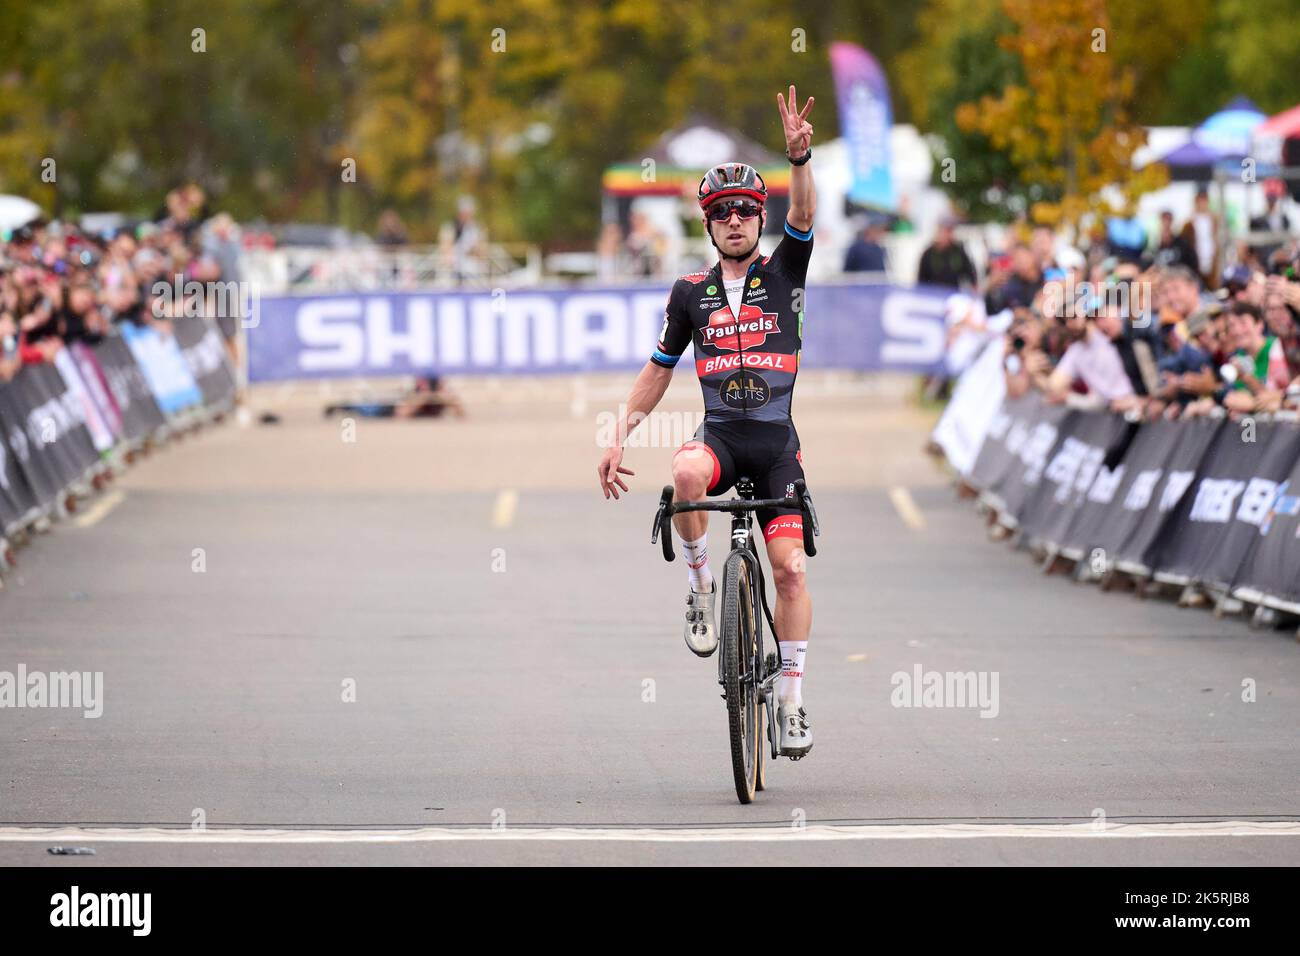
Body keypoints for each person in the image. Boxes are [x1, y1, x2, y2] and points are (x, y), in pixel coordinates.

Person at [596, 86, 817, 758]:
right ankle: (700, 584)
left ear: (760, 218)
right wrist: (619, 431)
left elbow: (804, 213)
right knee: (685, 470)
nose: (735, 222)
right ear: (708, 224)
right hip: (721, 435)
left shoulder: (785, 273)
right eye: (722, 214)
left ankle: (791, 701)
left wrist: (798, 158)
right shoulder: (689, 293)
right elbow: (660, 367)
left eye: (746, 212)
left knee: (791, 572)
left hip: (777, 444)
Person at [917, 215, 976, 289]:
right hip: (932, 294)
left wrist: (974, 288)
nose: (947, 234)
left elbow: (971, 273)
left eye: (950, 230)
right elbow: (921, 280)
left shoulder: (959, 252)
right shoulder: (928, 253)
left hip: (952, 293)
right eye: (945, 230)